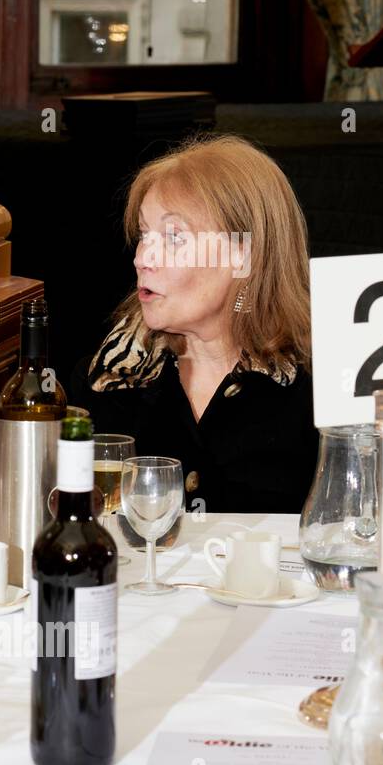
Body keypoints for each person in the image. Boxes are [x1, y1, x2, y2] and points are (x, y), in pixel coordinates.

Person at [67, 134, 318, 514]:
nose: (143, 259)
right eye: (144, 235)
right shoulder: (108, 382)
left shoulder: (319, 389)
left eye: (173, 237)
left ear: (243, 255)